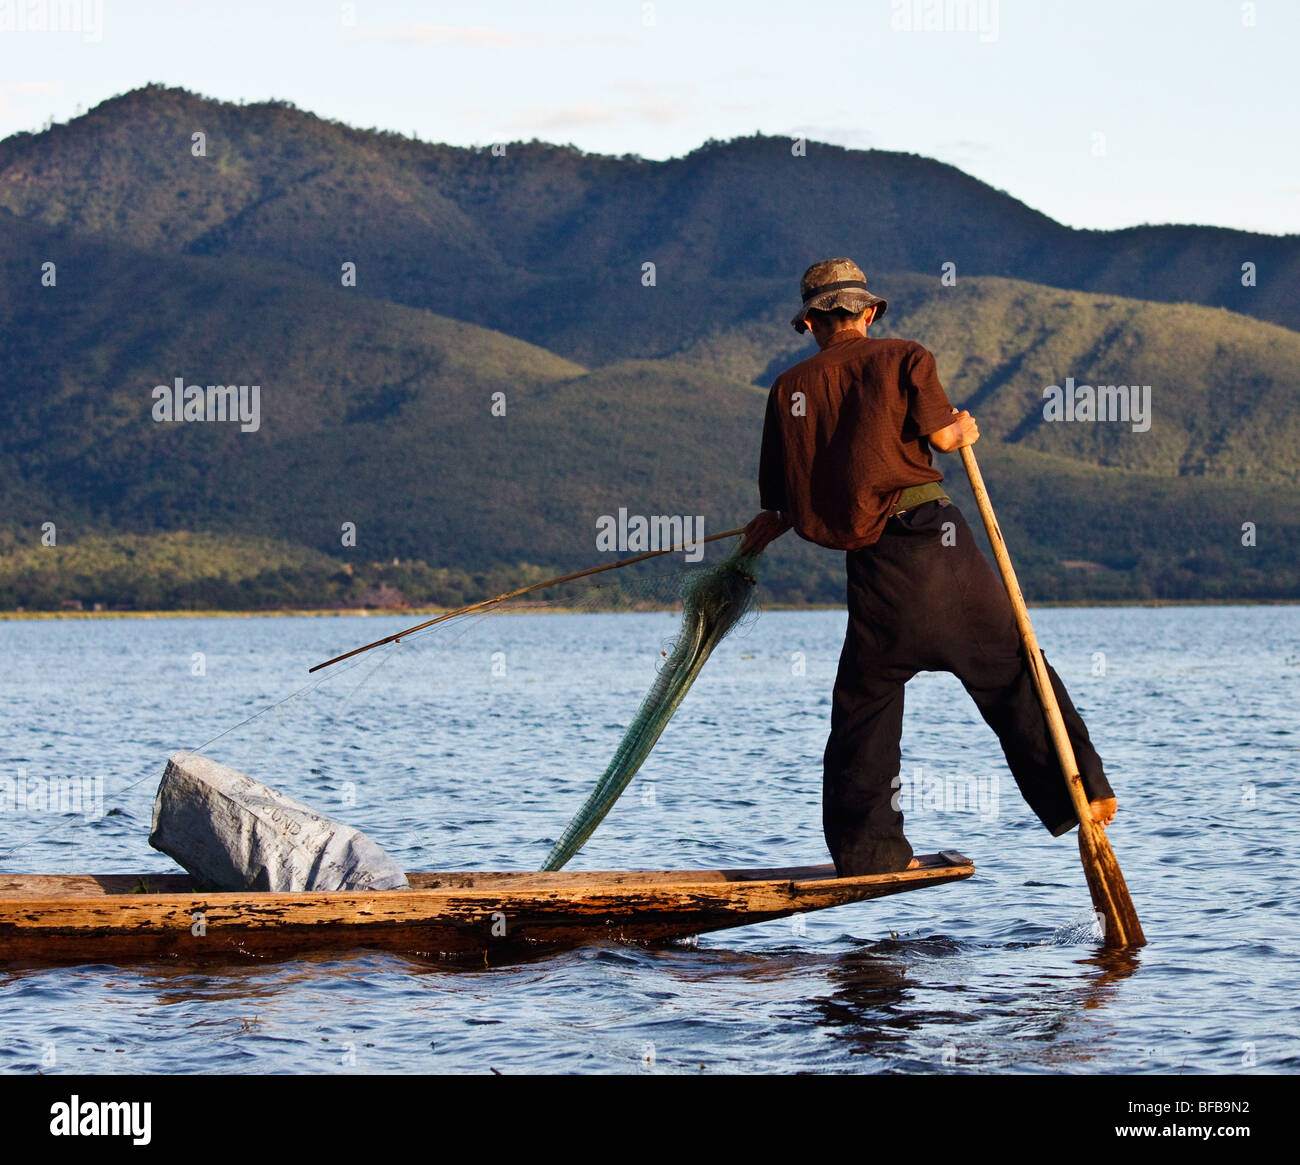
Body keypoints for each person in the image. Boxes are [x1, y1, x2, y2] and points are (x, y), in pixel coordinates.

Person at [740, 258, 1117, 876]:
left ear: (809, 322)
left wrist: (754, 540)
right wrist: (963, 426)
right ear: (868, 312)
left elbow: (779, 505)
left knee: (864, 708)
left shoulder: (789, 390)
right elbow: (943, 440)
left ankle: (870, 853)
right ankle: (1084, 795)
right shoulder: (903, 357)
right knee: (1016, 674)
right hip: (937, 547)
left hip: (874, 574)